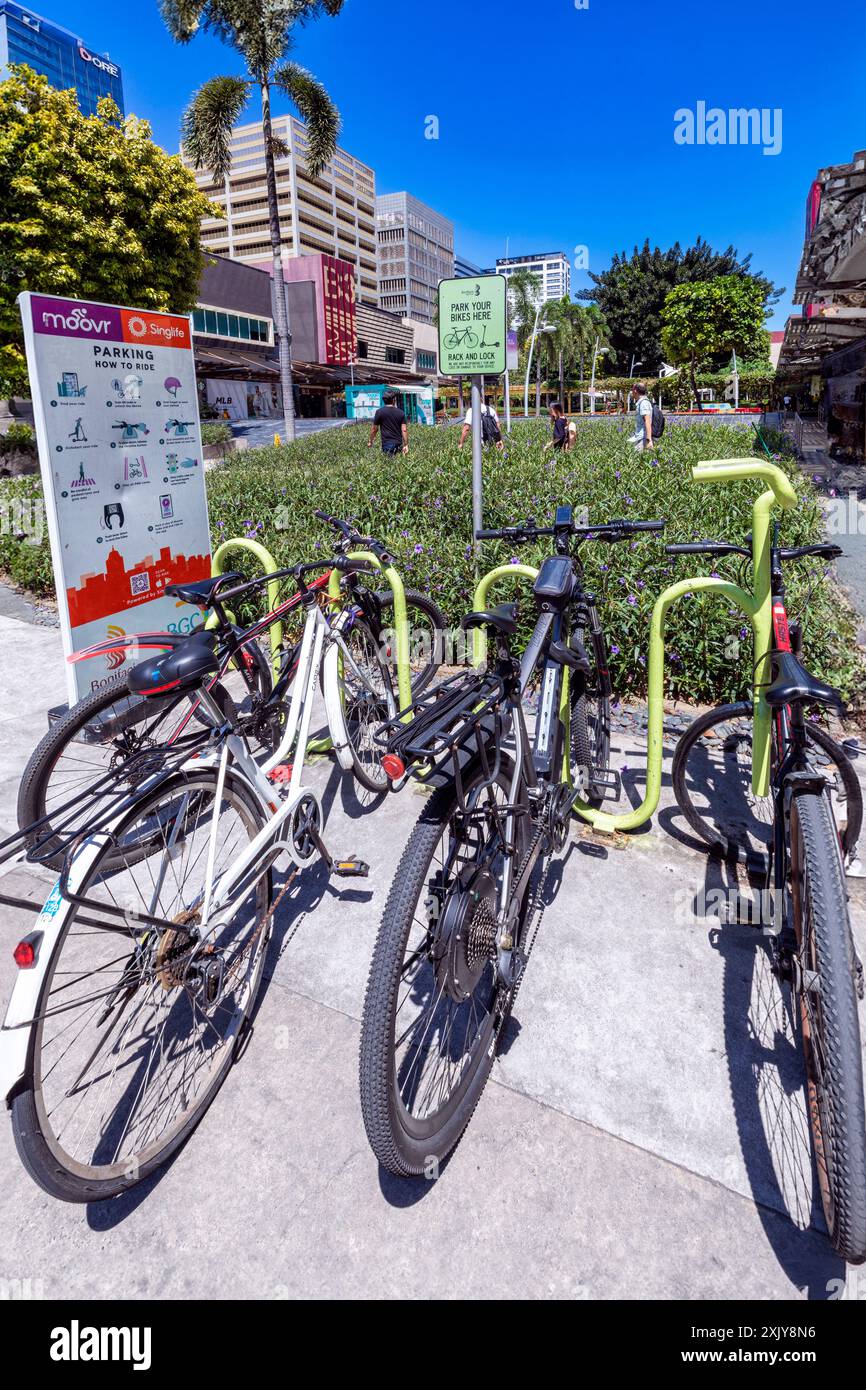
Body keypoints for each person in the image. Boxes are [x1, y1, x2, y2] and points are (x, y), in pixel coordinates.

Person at [369, 391, 408, 456]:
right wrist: (406, 444)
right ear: (393, 400)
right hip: (399, 444)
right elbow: (404, 430)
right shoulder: (401, 413)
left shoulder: (379, 412)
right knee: (398, 464)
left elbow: (374, 429)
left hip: (387, 444)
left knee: (389, 464)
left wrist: (370, 441)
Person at [628, 383, 654, 451]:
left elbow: (647, 421)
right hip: (640, 436)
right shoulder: (642, 402)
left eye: (632, 390)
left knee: (637, 459)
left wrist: (649, 440)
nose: (632, 392)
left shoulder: (643, 403)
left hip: (643, 438)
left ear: (635, 391)